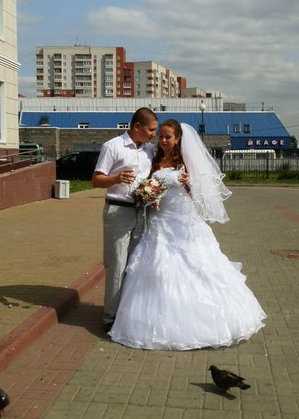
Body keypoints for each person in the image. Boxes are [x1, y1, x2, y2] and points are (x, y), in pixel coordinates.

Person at [109, 119, 266, 350]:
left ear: (178, 138)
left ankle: (204, 321)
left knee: (197, 265)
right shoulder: (155, 159)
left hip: (183, 221)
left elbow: (197, 190)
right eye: (161, 136)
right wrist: (150, 197)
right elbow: (151, 185)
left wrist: (189, 181)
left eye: (168, 137)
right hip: (159, 221)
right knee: (157, 268)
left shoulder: (186, 161)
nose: (163, 140)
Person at [92, 107, 159, 333]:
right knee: (117, 265)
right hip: (118, 211)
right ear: (137, 126)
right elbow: (96, 180)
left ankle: (128, 313)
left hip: (141, 212)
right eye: (151, 130)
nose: (154, 134)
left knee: (135, 264)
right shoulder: (113, 146)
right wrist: (116, 178)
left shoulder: (149, 150)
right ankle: (110, 318)